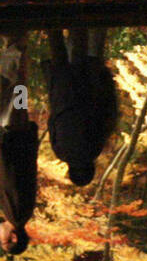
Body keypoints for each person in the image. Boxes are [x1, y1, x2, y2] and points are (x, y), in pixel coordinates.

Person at [43, 28, 118, 185]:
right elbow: (52, 125)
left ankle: (78, 18)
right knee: (58, 55)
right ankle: (51, 23)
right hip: (61, 99)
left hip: (85, 94)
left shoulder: (94, 149)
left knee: (79, 54)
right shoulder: (61, 152)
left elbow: (102, 120)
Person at [0, 34, 38, 254]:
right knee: (11, 87)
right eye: (3, 241)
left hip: (17, 136)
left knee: (16, 88)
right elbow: (8, 175)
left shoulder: (21, 213)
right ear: (14, 237)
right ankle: (16, 41)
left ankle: (17, 44)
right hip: (11, 137)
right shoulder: (15, 213)